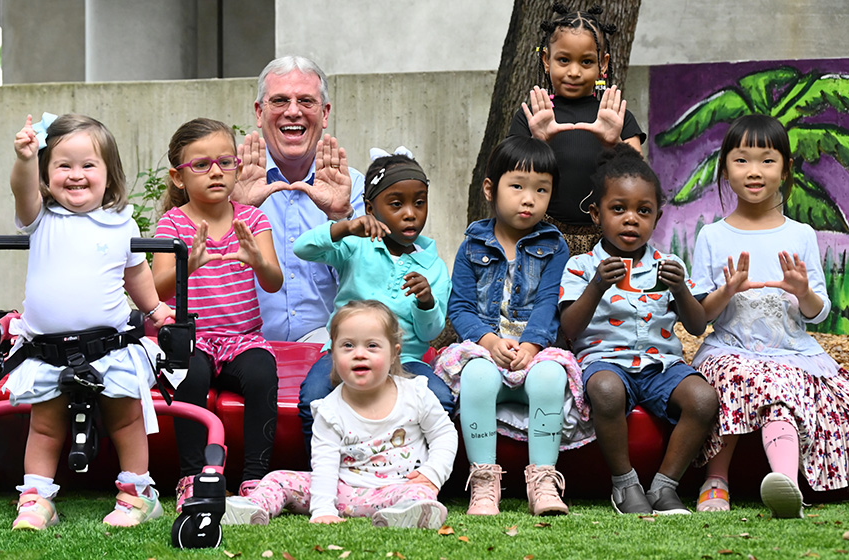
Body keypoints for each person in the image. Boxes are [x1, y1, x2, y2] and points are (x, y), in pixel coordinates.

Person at [6, 113, 173, 529]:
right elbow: (22, 191)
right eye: (63, 165)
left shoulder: (122, 223)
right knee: (44, 428)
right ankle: (36, 497)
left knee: (127, 417)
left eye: (88, 165)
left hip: (110, 346)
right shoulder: (39, 218)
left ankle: (138, 494)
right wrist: (26, 159)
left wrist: (155, 310)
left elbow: (136, 273)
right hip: (46, 350)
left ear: (108, 175)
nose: (75, 175)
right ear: (46, 176)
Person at [690, 114, 849, 518]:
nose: (754, 171)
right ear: (725, 168)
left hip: (791, 351)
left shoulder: (801, 235)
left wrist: (802, 292)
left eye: (767, 160)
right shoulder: (712, 236)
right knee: (739, 378)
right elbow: (699, 318)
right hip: (730, 348)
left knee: (783, 386)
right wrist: (726, 292)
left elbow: (817, 314)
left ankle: (787, 487)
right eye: (741, 160)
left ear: (786, 168)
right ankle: (716, 481)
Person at [434, 136, 593, 517]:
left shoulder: (554, 246)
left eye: (541, 190)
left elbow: (549, 304)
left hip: (533, 350)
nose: (529, 199)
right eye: (517, 187)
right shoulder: (473, 243)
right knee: (477, 378)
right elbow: (459, 306)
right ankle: (485, 483)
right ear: (491, 189)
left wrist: (533, 347)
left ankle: (543, 480)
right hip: (483, 347)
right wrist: (488, 341)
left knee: (550, 379)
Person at [559, 143, 718, 515]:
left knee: (703, 399)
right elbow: (569, 328)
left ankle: (665, 487)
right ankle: (625, 485)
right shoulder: (583, 266)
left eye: (643, 211)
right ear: (596, 215)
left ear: (657, 218)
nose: (631, 219)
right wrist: (597, 286)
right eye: (619, 209)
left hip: (662, 365)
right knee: (605, 390)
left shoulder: (669, 264)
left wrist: (680, 289)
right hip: (606, 362)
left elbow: (697, 327)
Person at [220, 300, 457, 528]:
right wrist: (324, 509)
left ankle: (403, 514)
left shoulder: (416, 393)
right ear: (333, 352)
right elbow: (324, 463)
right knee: (276, 478)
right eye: (348, 346)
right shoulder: (329, 409)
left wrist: (432, 473)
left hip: (400, 488)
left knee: (421, 492)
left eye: (372, 345)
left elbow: (444, 434)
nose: (359, 354)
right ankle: (254, 507)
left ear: (394, 353)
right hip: (341, 492)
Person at [152, 118, 284, 511]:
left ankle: (255, 480)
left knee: (263, 375)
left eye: (225, 163)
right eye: (201, 165)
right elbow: (157, 288)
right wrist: (186, 265)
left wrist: (258, 261)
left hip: (243, 338)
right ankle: (193, 477)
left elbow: (274, 281)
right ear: (178, 177)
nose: (215, 172)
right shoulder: (172, 223)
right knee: (189, 379)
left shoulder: (253, 219)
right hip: (192, 338)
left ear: (237, 169)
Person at [293, 150, 454, 455]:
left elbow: (430, 332)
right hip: (345, 355)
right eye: (397, 204)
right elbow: (303, 248)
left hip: (406, 360)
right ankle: (320, 472)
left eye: (419, 203)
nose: (411, 213)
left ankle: (415, 475)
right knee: (313, 395)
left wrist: (426, 301)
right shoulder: (357, 246)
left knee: (439, 399)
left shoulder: (433, 266)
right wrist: (344, 226)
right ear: (370, 207)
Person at [232, 55, 365, 344]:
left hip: (327, 348)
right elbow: (203, 283)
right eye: (279, 100)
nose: (293, 111)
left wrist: (340, 218)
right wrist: (235, 211)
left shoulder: (352, 187)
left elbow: (370, 285)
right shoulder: (229, 183)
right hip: (239, 347)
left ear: (325, 113)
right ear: (259, 111)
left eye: (306, 101)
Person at [509, 4, 646, 256]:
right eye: (563, 60)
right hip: (542, 240)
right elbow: (509, 184)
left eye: (586, 62)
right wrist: (540, 143)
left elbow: (640, 184)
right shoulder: (532, 117)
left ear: (602, 64)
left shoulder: (617, 117)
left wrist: (612, 144)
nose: (574, 71)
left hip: (608, 243)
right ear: (546, 60)